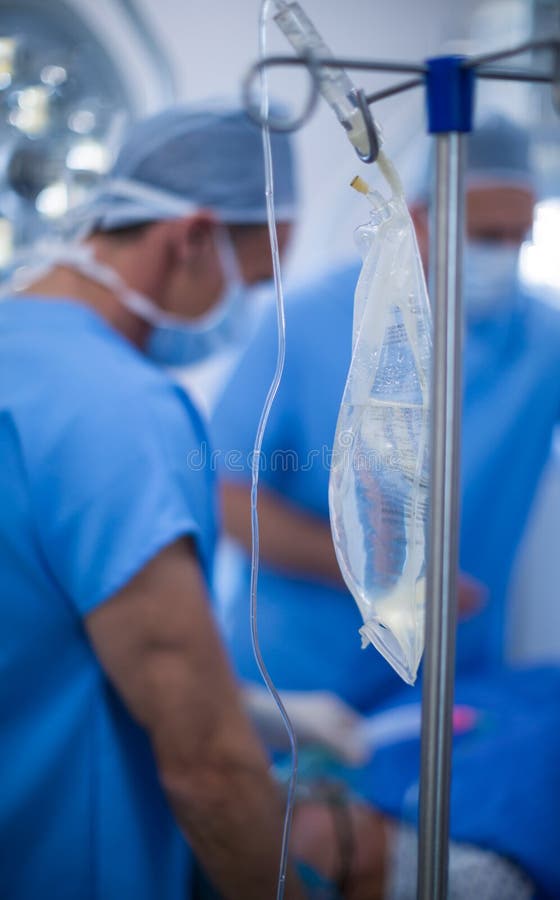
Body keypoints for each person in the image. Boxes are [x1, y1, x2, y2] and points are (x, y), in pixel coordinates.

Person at [209, 114, 560, 897]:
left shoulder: (551, 341)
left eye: (519, 237)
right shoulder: (308, 323)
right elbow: (229, 497)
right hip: (298, 675)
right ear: (417, 215)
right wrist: (384, 577)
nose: (504, 256)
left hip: (447, 680)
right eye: (484, 234)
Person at [0, 102, 329, 900]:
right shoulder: (119, 408)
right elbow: (208, 768)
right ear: (190, 237)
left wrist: (237, 699)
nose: (247, 313)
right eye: (254, 283)